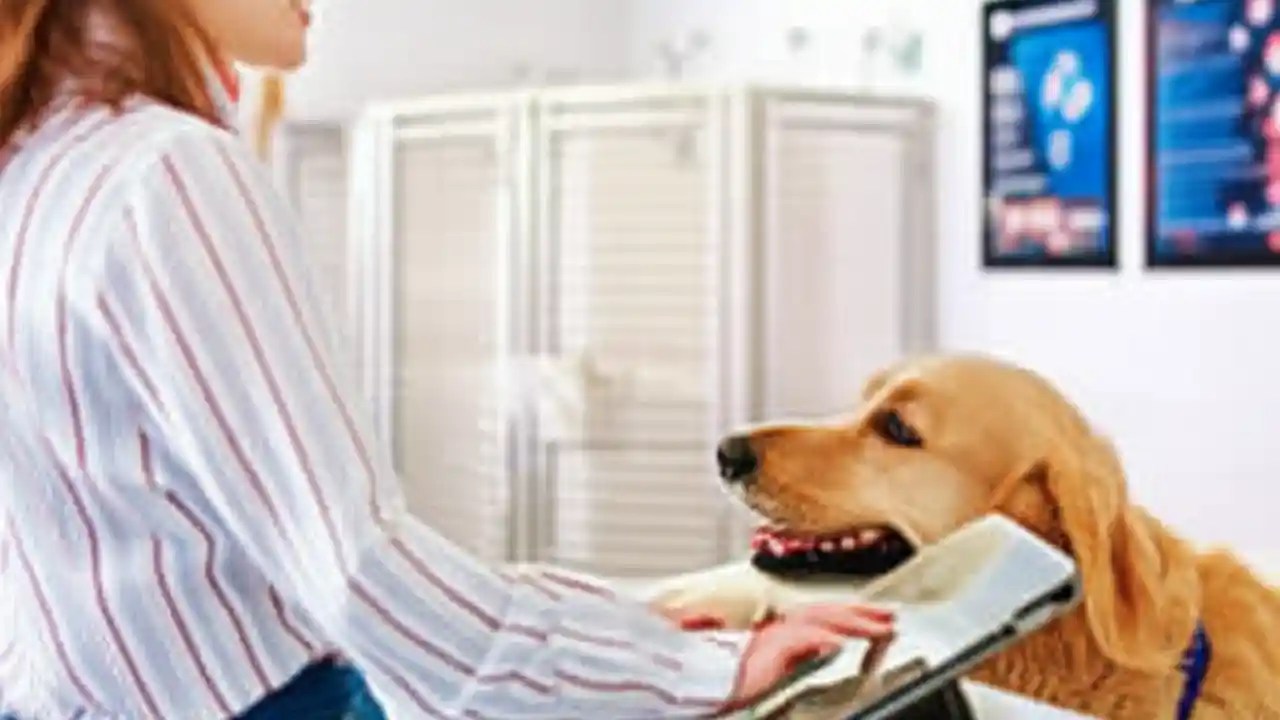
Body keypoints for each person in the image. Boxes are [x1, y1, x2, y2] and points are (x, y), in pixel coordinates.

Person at [0, 1, 895, 718]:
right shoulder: (168, 172)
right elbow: (361, 576)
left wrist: (608, 636)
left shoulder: (33, 175)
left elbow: (187, 558)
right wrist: (692, 673)